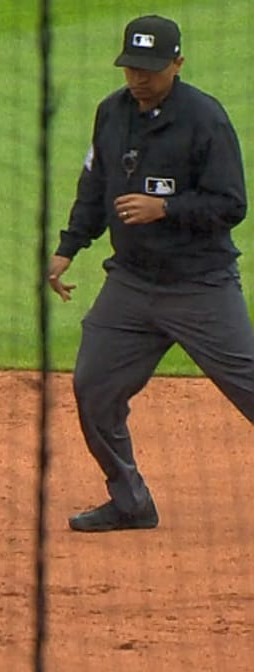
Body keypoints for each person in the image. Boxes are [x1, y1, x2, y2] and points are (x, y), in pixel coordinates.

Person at [49, 15, 252, 532]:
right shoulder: (111, 114)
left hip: (201, 286)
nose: (139, 77)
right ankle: (130, 501)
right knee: (94, 387)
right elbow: (94, 186)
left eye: (151, 68)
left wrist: (168, 209)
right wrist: (69, 247)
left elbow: (231, 204)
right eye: (132, 67)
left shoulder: (206, 119)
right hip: (132, 287)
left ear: (177, 64)